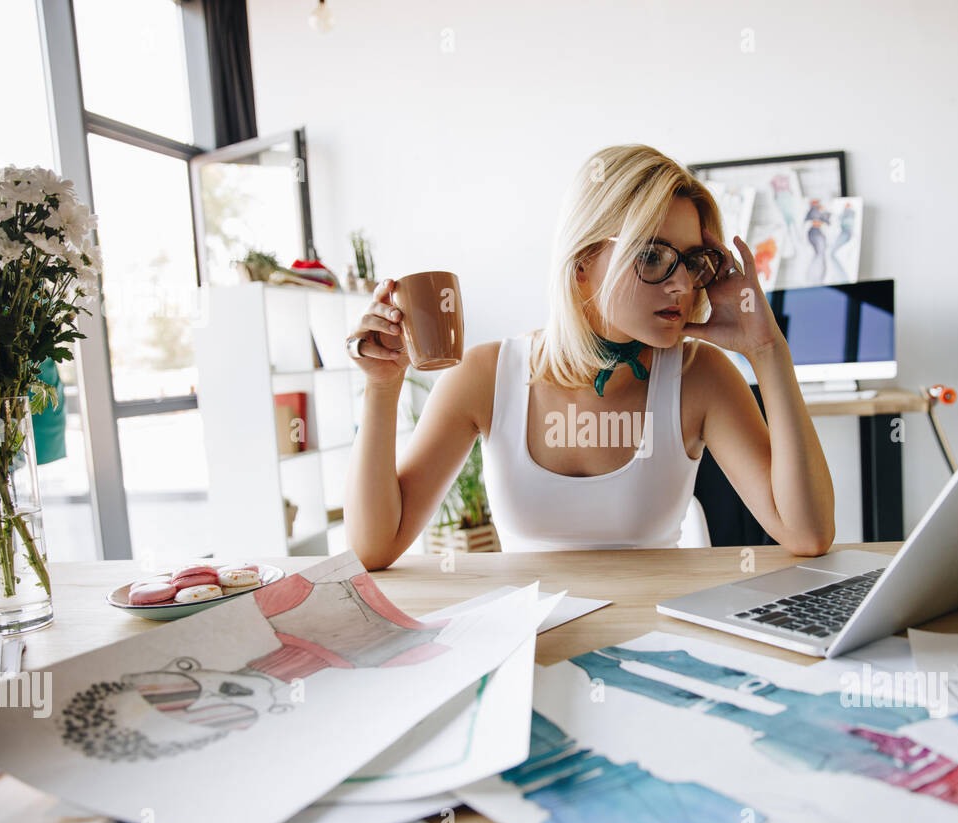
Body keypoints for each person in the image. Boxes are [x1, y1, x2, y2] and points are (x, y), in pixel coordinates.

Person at [343, 144, 835, 569]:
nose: (683, 284)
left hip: (652, 640)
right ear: (581, 263)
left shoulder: (699, 376)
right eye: (652, 256)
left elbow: (807, 534)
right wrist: (383, 387)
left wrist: (767, 351)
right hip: (533, 647)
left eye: (691, 261)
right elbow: (374, 549)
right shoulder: (486, 376)